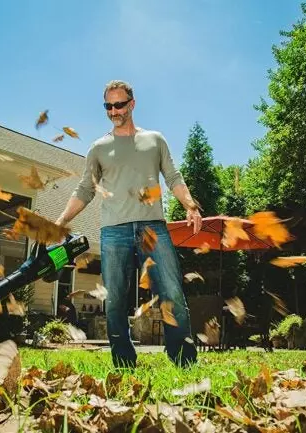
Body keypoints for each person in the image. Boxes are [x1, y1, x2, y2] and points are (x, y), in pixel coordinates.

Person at [56, 80, 202, 369]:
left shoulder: (154, 140)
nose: (114, 111)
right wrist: (60, 221)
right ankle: (123, 363)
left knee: (171, 292)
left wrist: (190, 204)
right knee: (114, 302)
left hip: (152, 228)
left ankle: (184, 361)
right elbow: (85, 190)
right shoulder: (98, 148)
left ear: (132, 104)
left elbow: (173, 177)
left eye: (119, 105)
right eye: (108, 106)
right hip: (114, 231)